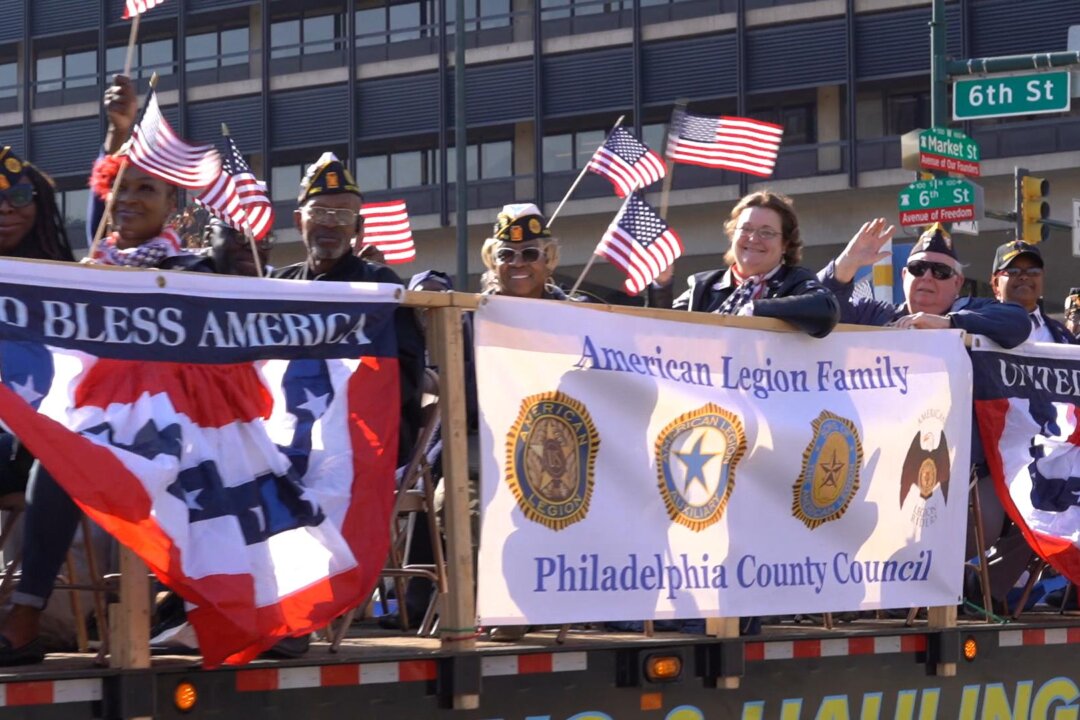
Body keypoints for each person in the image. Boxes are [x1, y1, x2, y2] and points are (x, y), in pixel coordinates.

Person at [650, 191, 839, 338]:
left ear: (785, 244)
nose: (753, 238)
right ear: (733, 235)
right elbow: (660, 331)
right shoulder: (703, 286)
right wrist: (662, 285)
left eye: (767, 232)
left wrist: (754, 309)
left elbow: (826, 309)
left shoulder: (795, 281)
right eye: (746, 229)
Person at [818, 221, 1029, 348]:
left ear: (958, 283)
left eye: (940, 271)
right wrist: (845, 264)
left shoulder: (973, 311)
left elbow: (1018, 321)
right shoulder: (874, 316)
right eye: (917, 268)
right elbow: (815, 308)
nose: (927, 276)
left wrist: (948, 324)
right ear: (903, 275)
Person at [990, 240, 1076, 344]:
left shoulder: (1064, 336)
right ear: (996, 284)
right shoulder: (979, 328)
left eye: (1033, 272)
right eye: (1013, 272)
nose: (1024, 277)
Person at [204, 217, 272, 277]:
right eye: (241, 236)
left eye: (264, 239)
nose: (254, 247)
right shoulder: (194, 282)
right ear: (209, 235)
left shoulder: (278, 287)